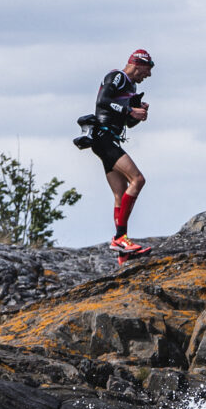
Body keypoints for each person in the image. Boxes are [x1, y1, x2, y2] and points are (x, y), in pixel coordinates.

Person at [80, 48, 154, 258]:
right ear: (138, 64)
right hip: (103, 137)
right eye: (146, 71)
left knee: (120, 193)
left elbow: (127, 123)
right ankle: (120, 239)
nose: (147, 76)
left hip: (109, 138)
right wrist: (130, 110)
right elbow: (103, 101)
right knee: (137, 180)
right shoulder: (117, 77)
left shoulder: (132, 86)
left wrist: (138, 114)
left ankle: (122, 251)